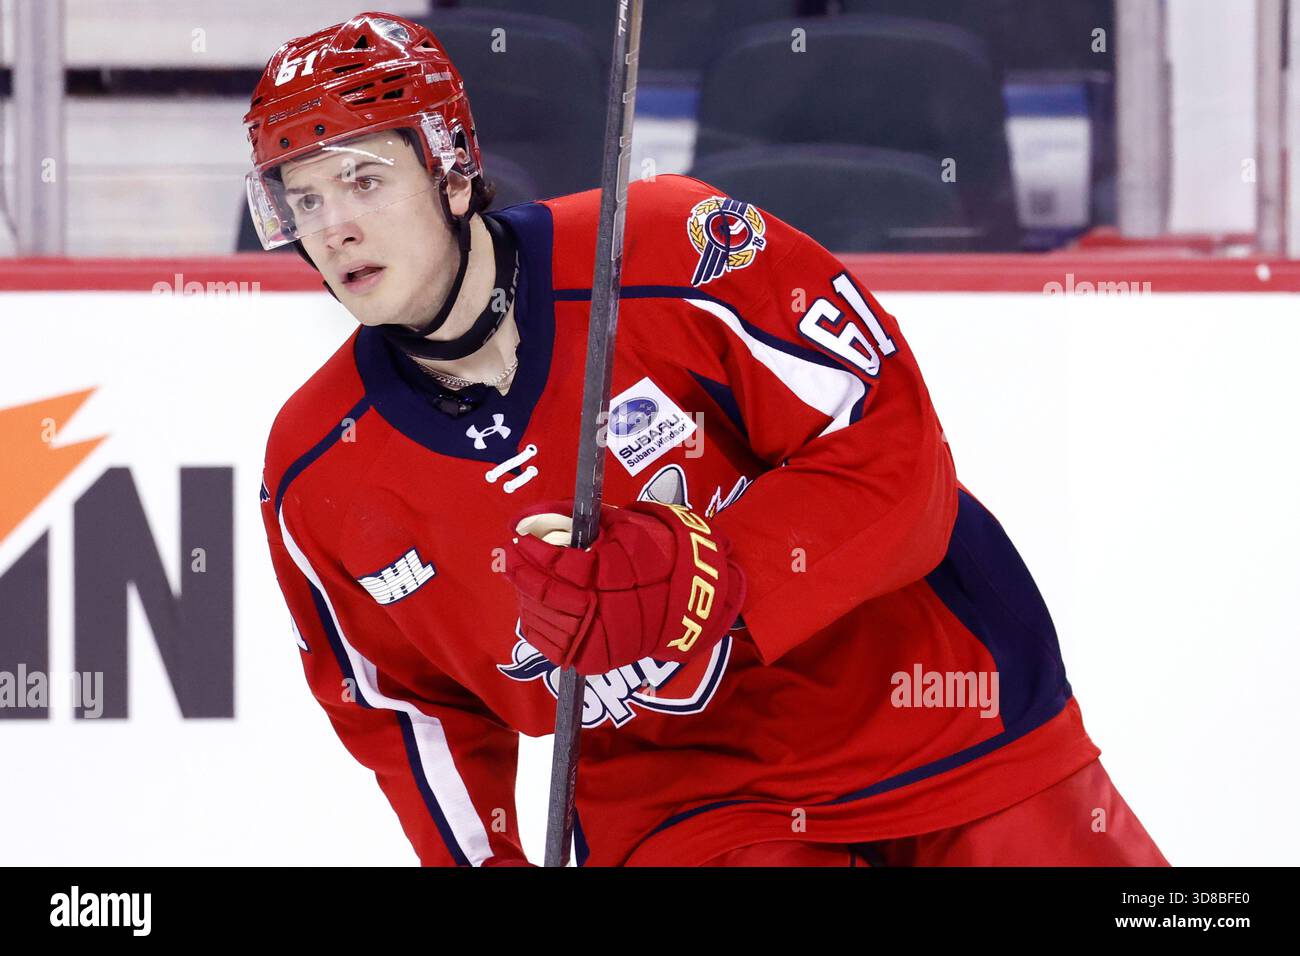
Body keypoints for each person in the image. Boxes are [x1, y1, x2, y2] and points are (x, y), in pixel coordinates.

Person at [250, 12, 1168, 867]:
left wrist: (704, 572)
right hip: (687, 810)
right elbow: (402, 710)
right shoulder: (315, 468)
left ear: (451, 167)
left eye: (363, 179)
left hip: (950, 724)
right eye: (305, 200)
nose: (334, 228)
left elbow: (898, 458)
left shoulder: (671, 250)